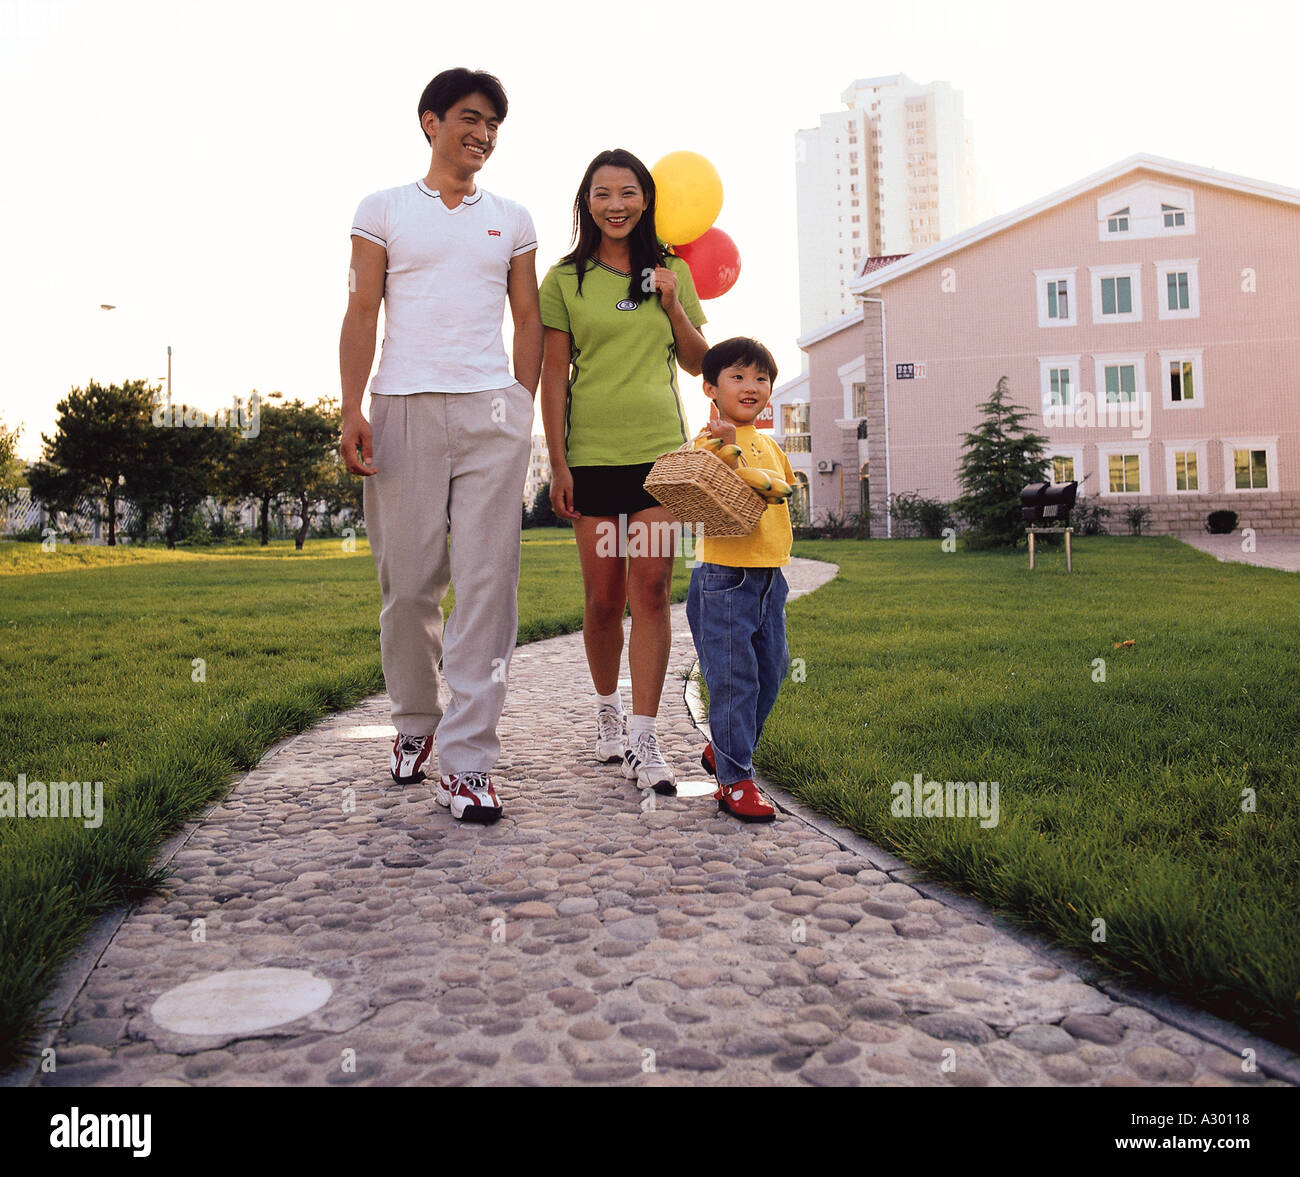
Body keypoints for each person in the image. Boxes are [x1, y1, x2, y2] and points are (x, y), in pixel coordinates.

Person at [339, 68, 541, 823]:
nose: (483, 133)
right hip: (402, 407)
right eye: (469, 117)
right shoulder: (383, 208)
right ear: (430, 121)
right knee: (409, 583)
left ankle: (468, 763)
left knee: (489, 585)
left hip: (492, 412)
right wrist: (350, 406)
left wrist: (519, 402)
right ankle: (415, 723)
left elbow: (528, 318)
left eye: (493, 122)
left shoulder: (513, 218)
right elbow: (362, 309)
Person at [538, 149, 708, 796]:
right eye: (602, 193)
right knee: (605, 598)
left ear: (646, 199)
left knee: (653, 589)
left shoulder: (674, 270)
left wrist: (673, 304)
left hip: (661, 457)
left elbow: (698, 362)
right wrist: (558, 461)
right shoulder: (564, 280)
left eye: (628, 192)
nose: (616, 204)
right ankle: (607, 711)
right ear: (586, 203)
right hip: (592, 460)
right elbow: (555, 376)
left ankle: (645, 735)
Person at [686, 338, 793, 822]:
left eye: (762, 378)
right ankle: (735, 780)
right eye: (738, 376)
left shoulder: (770, 444)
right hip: (725, 579)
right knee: (735, 681)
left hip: (771, 576)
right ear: (710, 387)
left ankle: (728, 747)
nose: (752, 386)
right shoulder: (707, 441)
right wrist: (726, 446)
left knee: (772, 671)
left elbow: (783, 489)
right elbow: (711, 481)